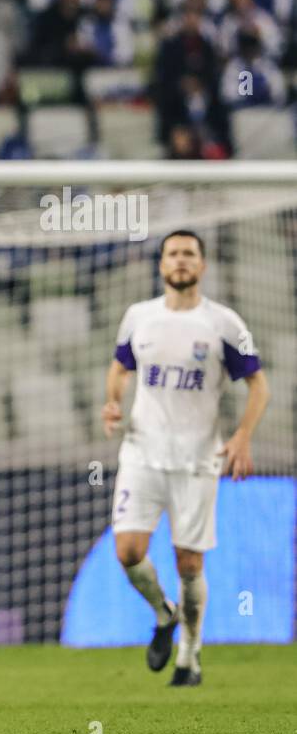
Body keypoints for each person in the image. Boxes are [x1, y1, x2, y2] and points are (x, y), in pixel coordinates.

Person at [102, 230, 269, 687]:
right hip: (142, 453)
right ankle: (163, 614)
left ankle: (190, 658)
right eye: (172, 253)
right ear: (160, 265)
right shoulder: (139, 317)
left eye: (189, 254)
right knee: (128, 551)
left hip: (198, 459)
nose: (180, 261)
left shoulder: (224, 324)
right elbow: (119, 369)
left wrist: (242, 437)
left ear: (203, 265)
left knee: (189, 563)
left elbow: (258, 384)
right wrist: (113, 402)